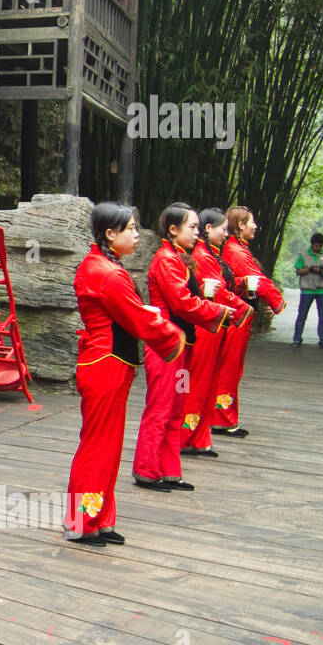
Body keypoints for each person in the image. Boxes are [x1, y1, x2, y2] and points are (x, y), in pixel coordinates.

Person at [66, 203, 184, 547]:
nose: (136, 234)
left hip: (106, 362)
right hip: (106, 363)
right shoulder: (108, 273)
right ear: (110, 234)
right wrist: (173, 336)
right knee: (97, 447)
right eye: (131, 228)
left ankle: (99, 518)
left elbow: (128, 313)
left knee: (108, 446)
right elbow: (137, 318)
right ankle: (80, 521)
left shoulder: (100, 265)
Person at [132, 204, 232, 492]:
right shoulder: (165, 259)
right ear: (173, 229)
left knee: (176, 407)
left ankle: (170, 470)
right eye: (192, 227)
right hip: (165, 347)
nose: (197, 233)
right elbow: (182, 303)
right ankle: (147, 470)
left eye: (198, 227)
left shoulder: (179, 257)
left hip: (182, 347)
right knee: (161, 408)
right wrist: (220, 312)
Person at [180, 208, 252, 458]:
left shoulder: (212, 253)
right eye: (222, 227)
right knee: (195, 384)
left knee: (208, 383)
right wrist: (243, 308)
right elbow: (217, 291)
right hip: (203, 327)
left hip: (214, 324)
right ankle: (186, 436)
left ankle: (199, 437)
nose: (226, 232)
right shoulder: (200, 254)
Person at [213, 206, 286, 438]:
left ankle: (222, 416)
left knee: (231, 368)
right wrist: (277, 301)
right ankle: (222, 419)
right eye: (251, 222)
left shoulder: (237, 249)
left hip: (239, 314)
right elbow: (260, 282)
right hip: (237, 315)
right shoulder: (235, 250)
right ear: (240, 225)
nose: (255, 226)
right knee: (229, 369)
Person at [292, 232, 323, 348]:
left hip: (322, 290)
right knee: (302, 316)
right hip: (307, 290)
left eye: (320, 246)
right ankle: (297, 339)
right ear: (312, 244)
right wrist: (310, 269)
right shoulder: (304, 255)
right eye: (316, 245)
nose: (318, 248)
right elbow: (298, 271)